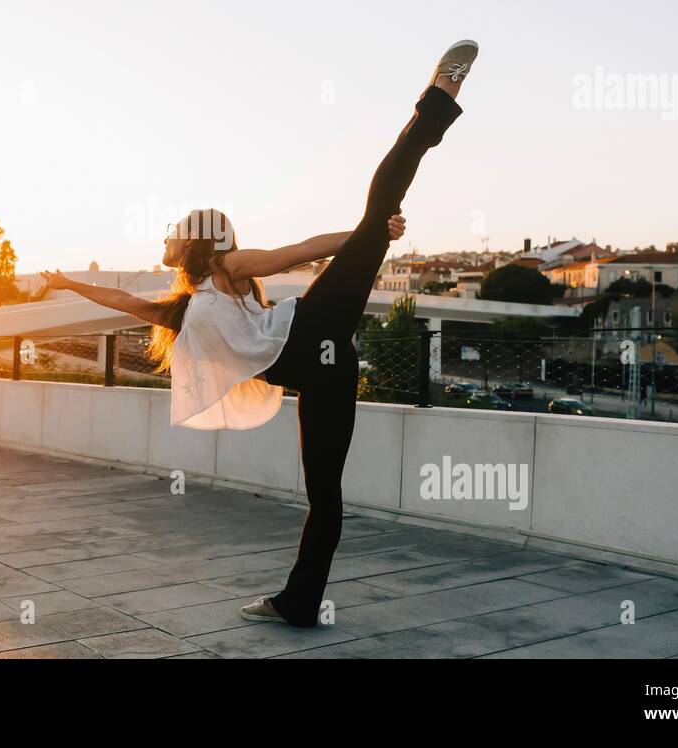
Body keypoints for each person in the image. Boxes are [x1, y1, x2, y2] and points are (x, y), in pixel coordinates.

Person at [40, 40, 476, 627]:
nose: (166, 244)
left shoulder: (229, 270)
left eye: (174, 237)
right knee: (324, 494)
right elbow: (119, 298)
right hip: (326, 364)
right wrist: (69, 283)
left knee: (380, 199)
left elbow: (296, 252)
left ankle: (440, 94)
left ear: (199, 242)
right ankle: (299, 603)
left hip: (312, 334)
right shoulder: (184, 307)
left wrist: (366, 234)